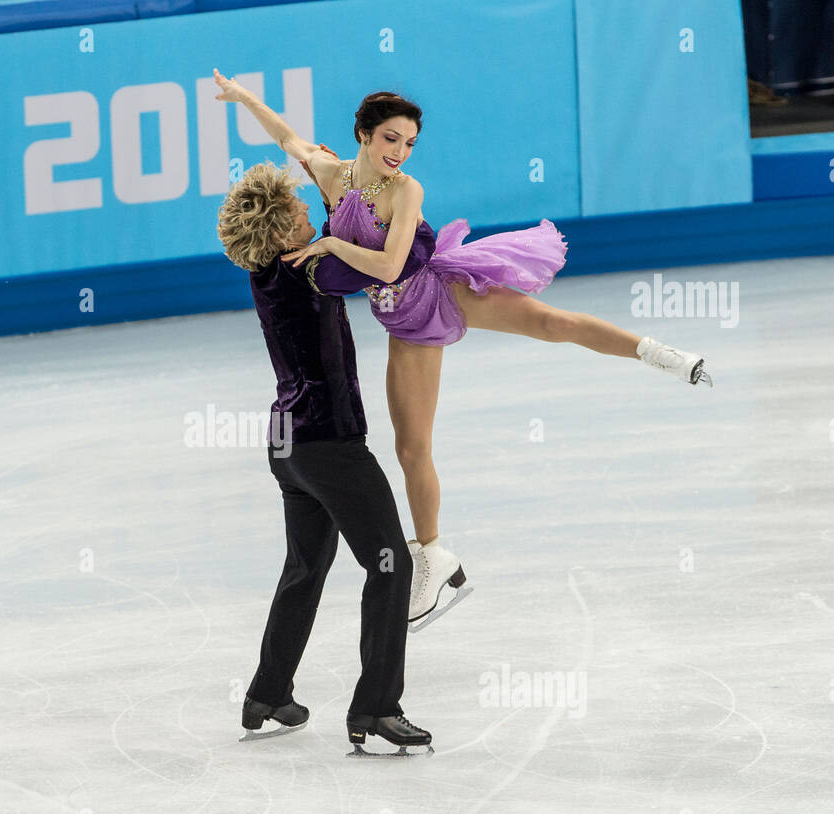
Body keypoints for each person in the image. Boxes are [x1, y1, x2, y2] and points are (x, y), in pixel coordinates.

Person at [213, 71, 713, 628]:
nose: (400, 152)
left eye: (408, 143)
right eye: (390, 139)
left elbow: (388, 264)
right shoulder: (334, 175)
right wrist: (245, 98)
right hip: (401, 324)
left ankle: (657, 352)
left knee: (549, 322)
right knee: (410, 449)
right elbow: (288, 138)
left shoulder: (407, 191)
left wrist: (330, 242)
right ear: (362, 134)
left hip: (439, 291)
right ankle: (434, 555)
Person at [216, 159, 438, 756]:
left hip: (287, 445)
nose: (312, 215)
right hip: (327, 444)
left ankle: (267, 692)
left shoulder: (268, 272)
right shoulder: (312, 268)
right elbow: (397, 264)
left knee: (305, 568)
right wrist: (411, 220)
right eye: (300, 212)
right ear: (283, 231)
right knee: (391, 564)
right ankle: (376, 707)